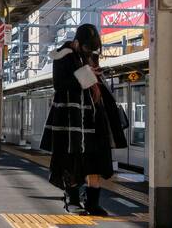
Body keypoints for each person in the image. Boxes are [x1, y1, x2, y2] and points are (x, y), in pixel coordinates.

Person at [40, 23, 127, 215]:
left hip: (95, 118)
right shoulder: (63, 57)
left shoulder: (89, 56)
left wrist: (94, 76)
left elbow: (96, 86)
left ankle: (92, 202)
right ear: (77, 42)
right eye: (88, 47)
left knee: (96, 160)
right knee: (73, 159)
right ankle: (72, 200)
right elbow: (60, 85)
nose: (91, 52)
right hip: (72, 119)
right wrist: (88, 76)